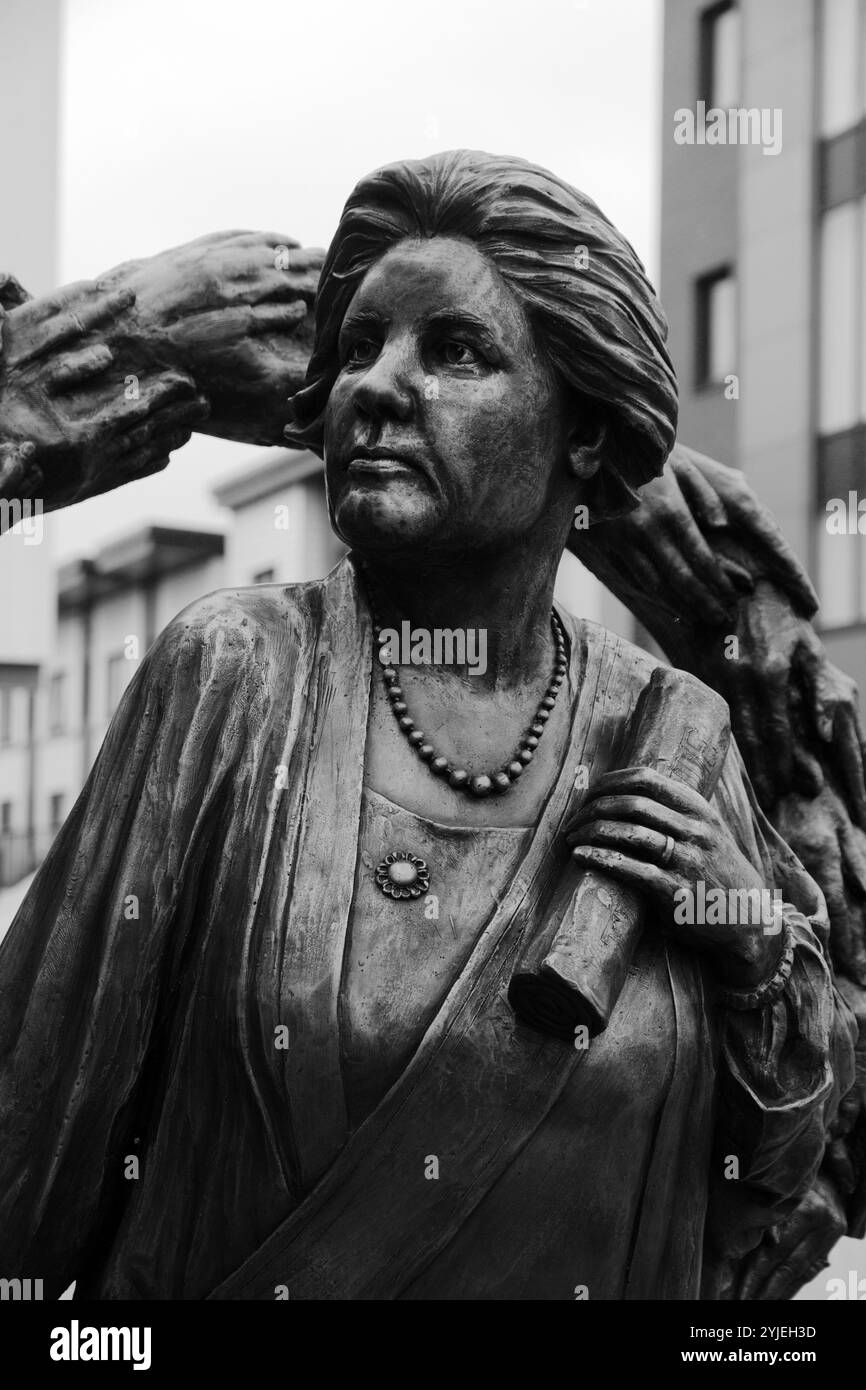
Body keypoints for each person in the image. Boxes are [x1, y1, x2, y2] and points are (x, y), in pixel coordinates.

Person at [0, 150, 858, 1300]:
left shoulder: (674, 729)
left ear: (585, 434)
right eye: (357, 348)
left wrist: (753, 944)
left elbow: (767, 1194)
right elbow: (28, 1153)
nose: (375, 386)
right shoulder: (232, 673)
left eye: (453, 350)